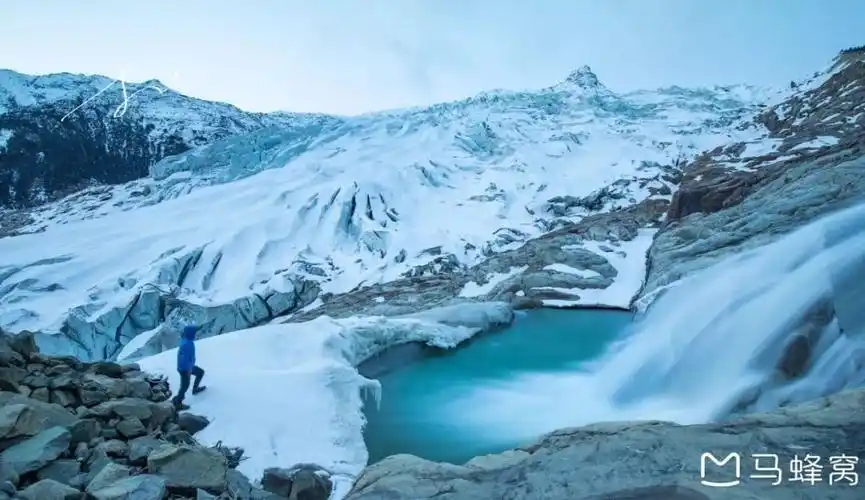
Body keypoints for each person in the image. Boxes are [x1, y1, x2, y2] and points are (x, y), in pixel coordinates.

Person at [171, 324, 206, 410]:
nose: (196, 334)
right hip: (185, 369)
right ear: (191, 334)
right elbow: (184, 359)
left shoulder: (186, 341)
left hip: (186, 367)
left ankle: (195, 389)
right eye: (195, 332)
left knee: (200, 372)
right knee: (185, 386)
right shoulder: (187, 344)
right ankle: (178, 402)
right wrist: (188, 370)